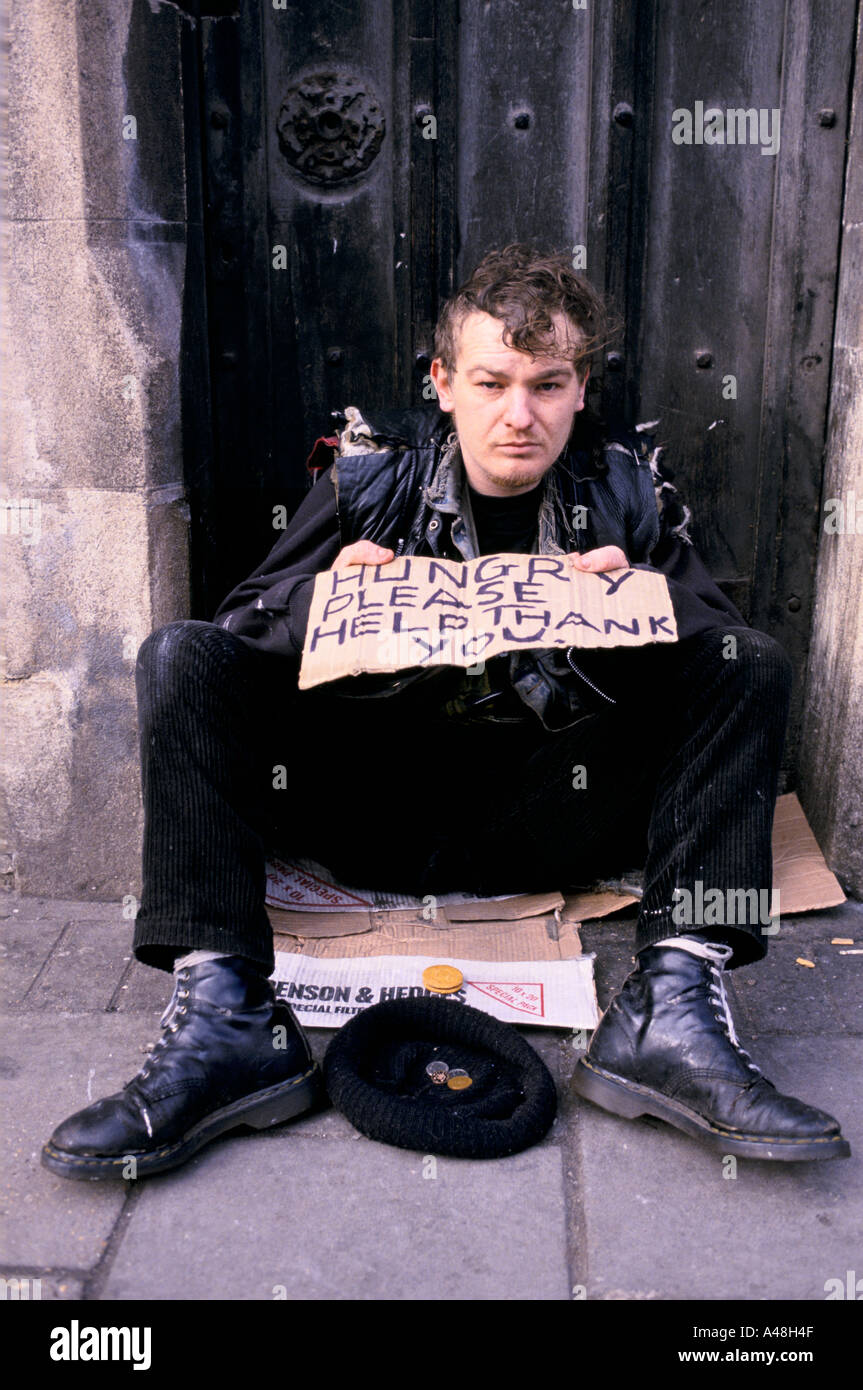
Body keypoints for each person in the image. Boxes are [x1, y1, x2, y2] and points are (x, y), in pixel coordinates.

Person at [42, 245, 849, 1180]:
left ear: (581, 387)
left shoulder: (624, 489)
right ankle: (226, 1020)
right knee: (177, 655)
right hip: (374, 813)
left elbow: (722, 648)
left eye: (548, 384)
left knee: (742, 659)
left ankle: (670, 1005)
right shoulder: (367, 484)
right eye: (491, 382)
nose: (519, 415)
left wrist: (643, 604)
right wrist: (319, 600)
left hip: (553, 820)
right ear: (442, 382)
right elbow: (235, 630)